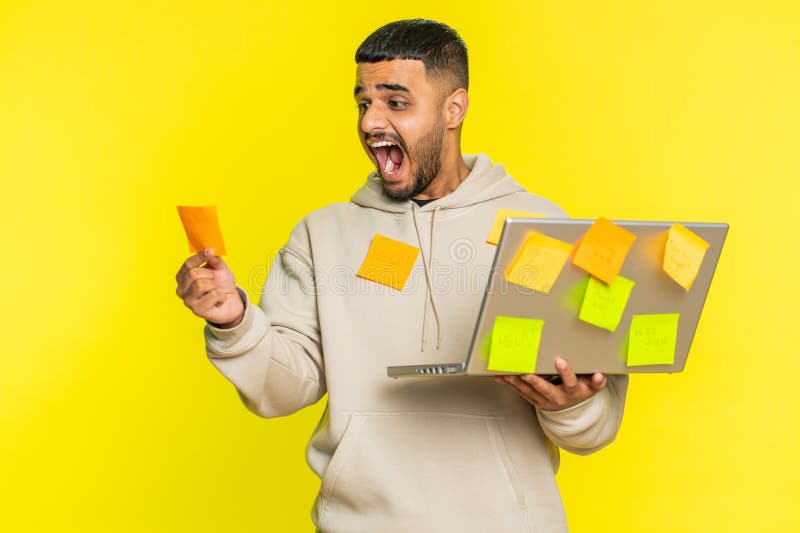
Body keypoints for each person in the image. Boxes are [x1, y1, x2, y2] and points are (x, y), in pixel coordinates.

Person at [175, 19, 627, 533]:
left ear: (453, 109)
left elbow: (593, 428)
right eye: (363, 103)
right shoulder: (323, 235)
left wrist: (575, 404)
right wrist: (233, 322)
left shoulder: (541, 229)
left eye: (395, 102)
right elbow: (280, 391)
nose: (370, 123)